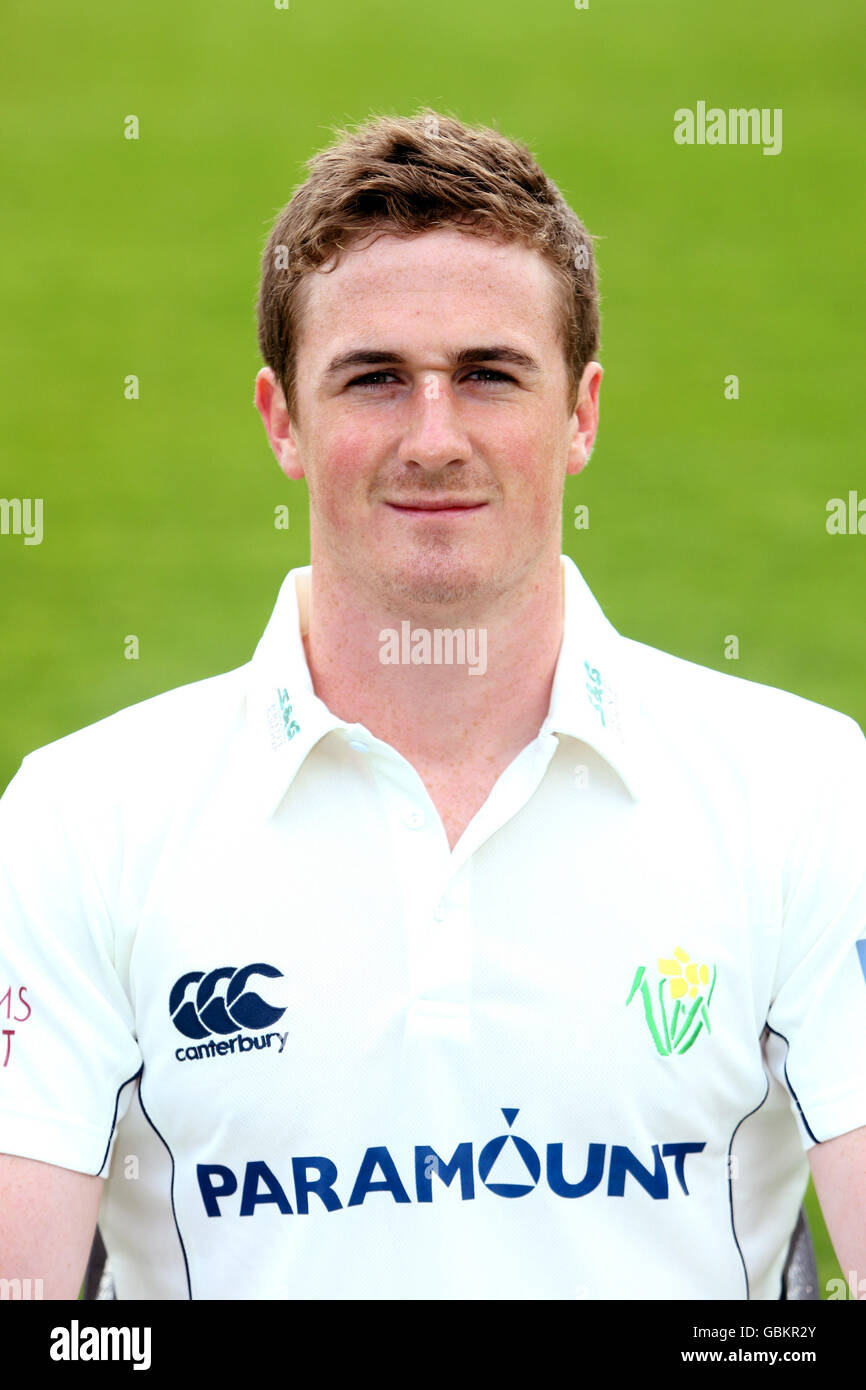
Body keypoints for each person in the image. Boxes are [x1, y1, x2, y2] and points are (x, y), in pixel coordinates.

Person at [1, 109, 864, 1302]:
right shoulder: (81, 818)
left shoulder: (804, 790)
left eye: (487, 375)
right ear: (282, 422)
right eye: (373, 379)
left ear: (581, 413)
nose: (433, 437)